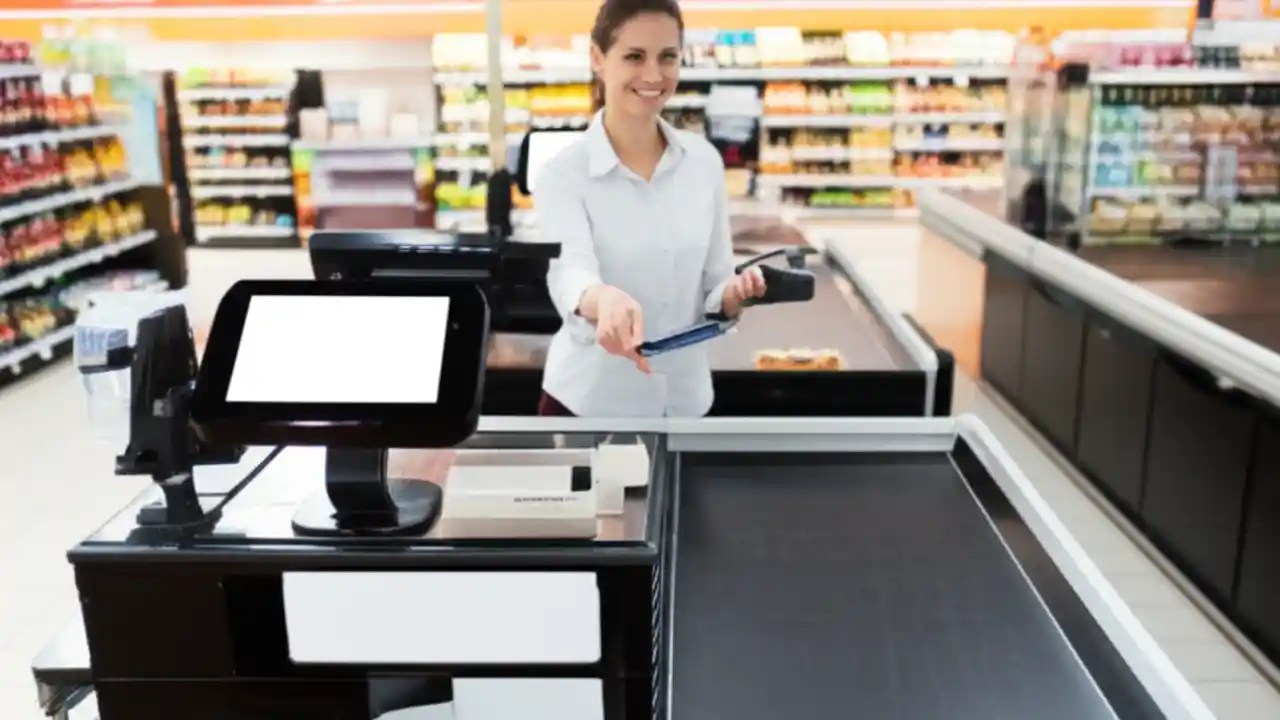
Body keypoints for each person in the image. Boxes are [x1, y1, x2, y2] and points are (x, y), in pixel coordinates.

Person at [534, 0, 766, 418]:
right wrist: (603, 299)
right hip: (591, 405)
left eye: (667, 57)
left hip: (684, 404)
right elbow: (570, 272)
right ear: (597, 59)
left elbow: (715, 282)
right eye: (634, 56)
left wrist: (735, 294)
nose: (654, 75)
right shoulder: (563, 174)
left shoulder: (703, 163)